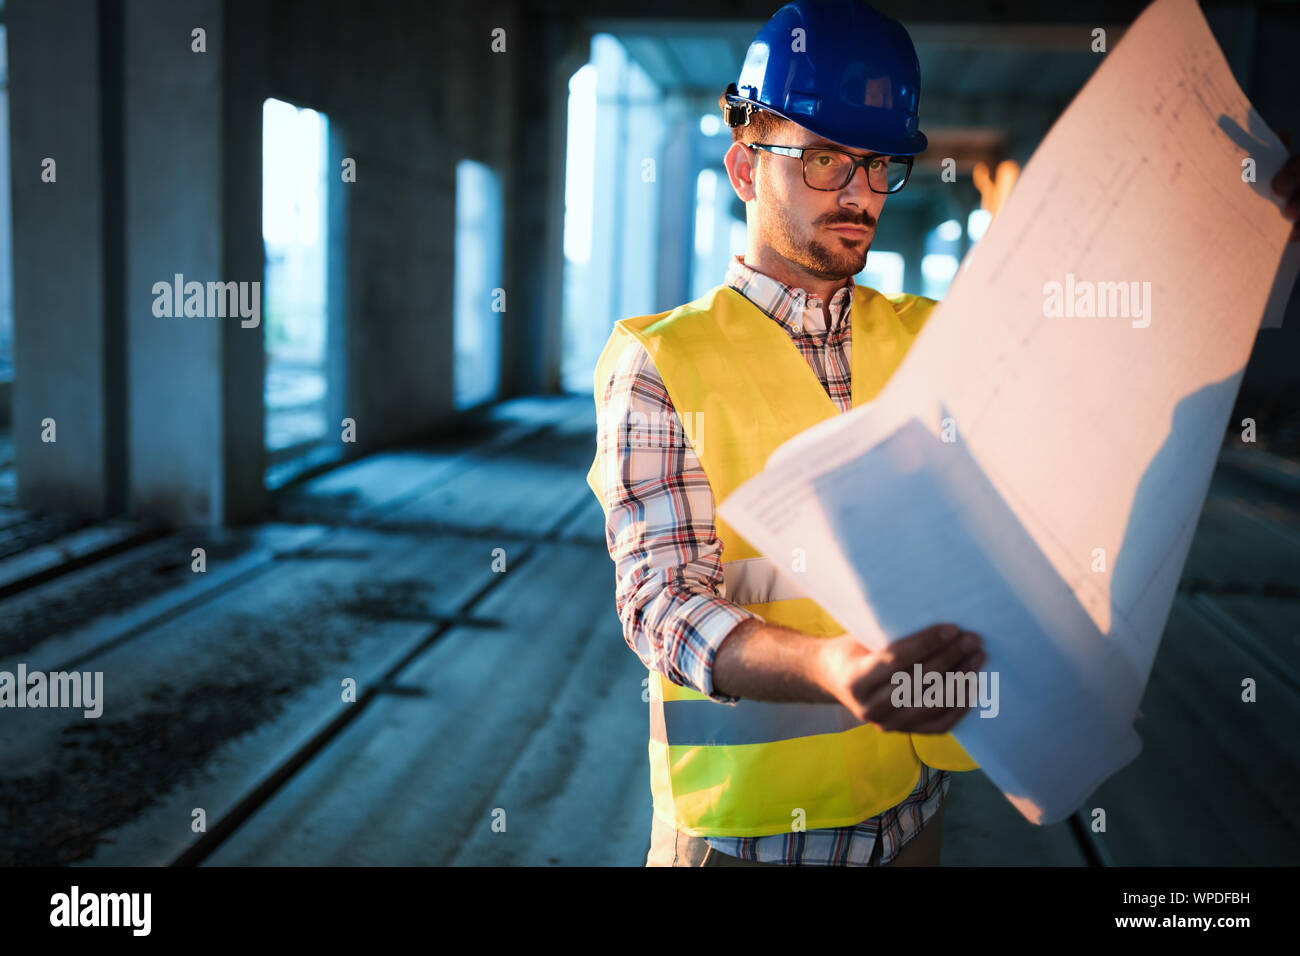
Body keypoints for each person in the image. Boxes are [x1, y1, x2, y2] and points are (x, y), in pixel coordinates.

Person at [586, 0, 1300, 868]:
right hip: (742, 837)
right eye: (822, 160)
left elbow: (1131, 363)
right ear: (744, 168)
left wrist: (1254, 228)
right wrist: (835, 674)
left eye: (878, 164)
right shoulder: (660, 361)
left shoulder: (939, 337)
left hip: (912, 819)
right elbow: (661, 604)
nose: (858, 192)